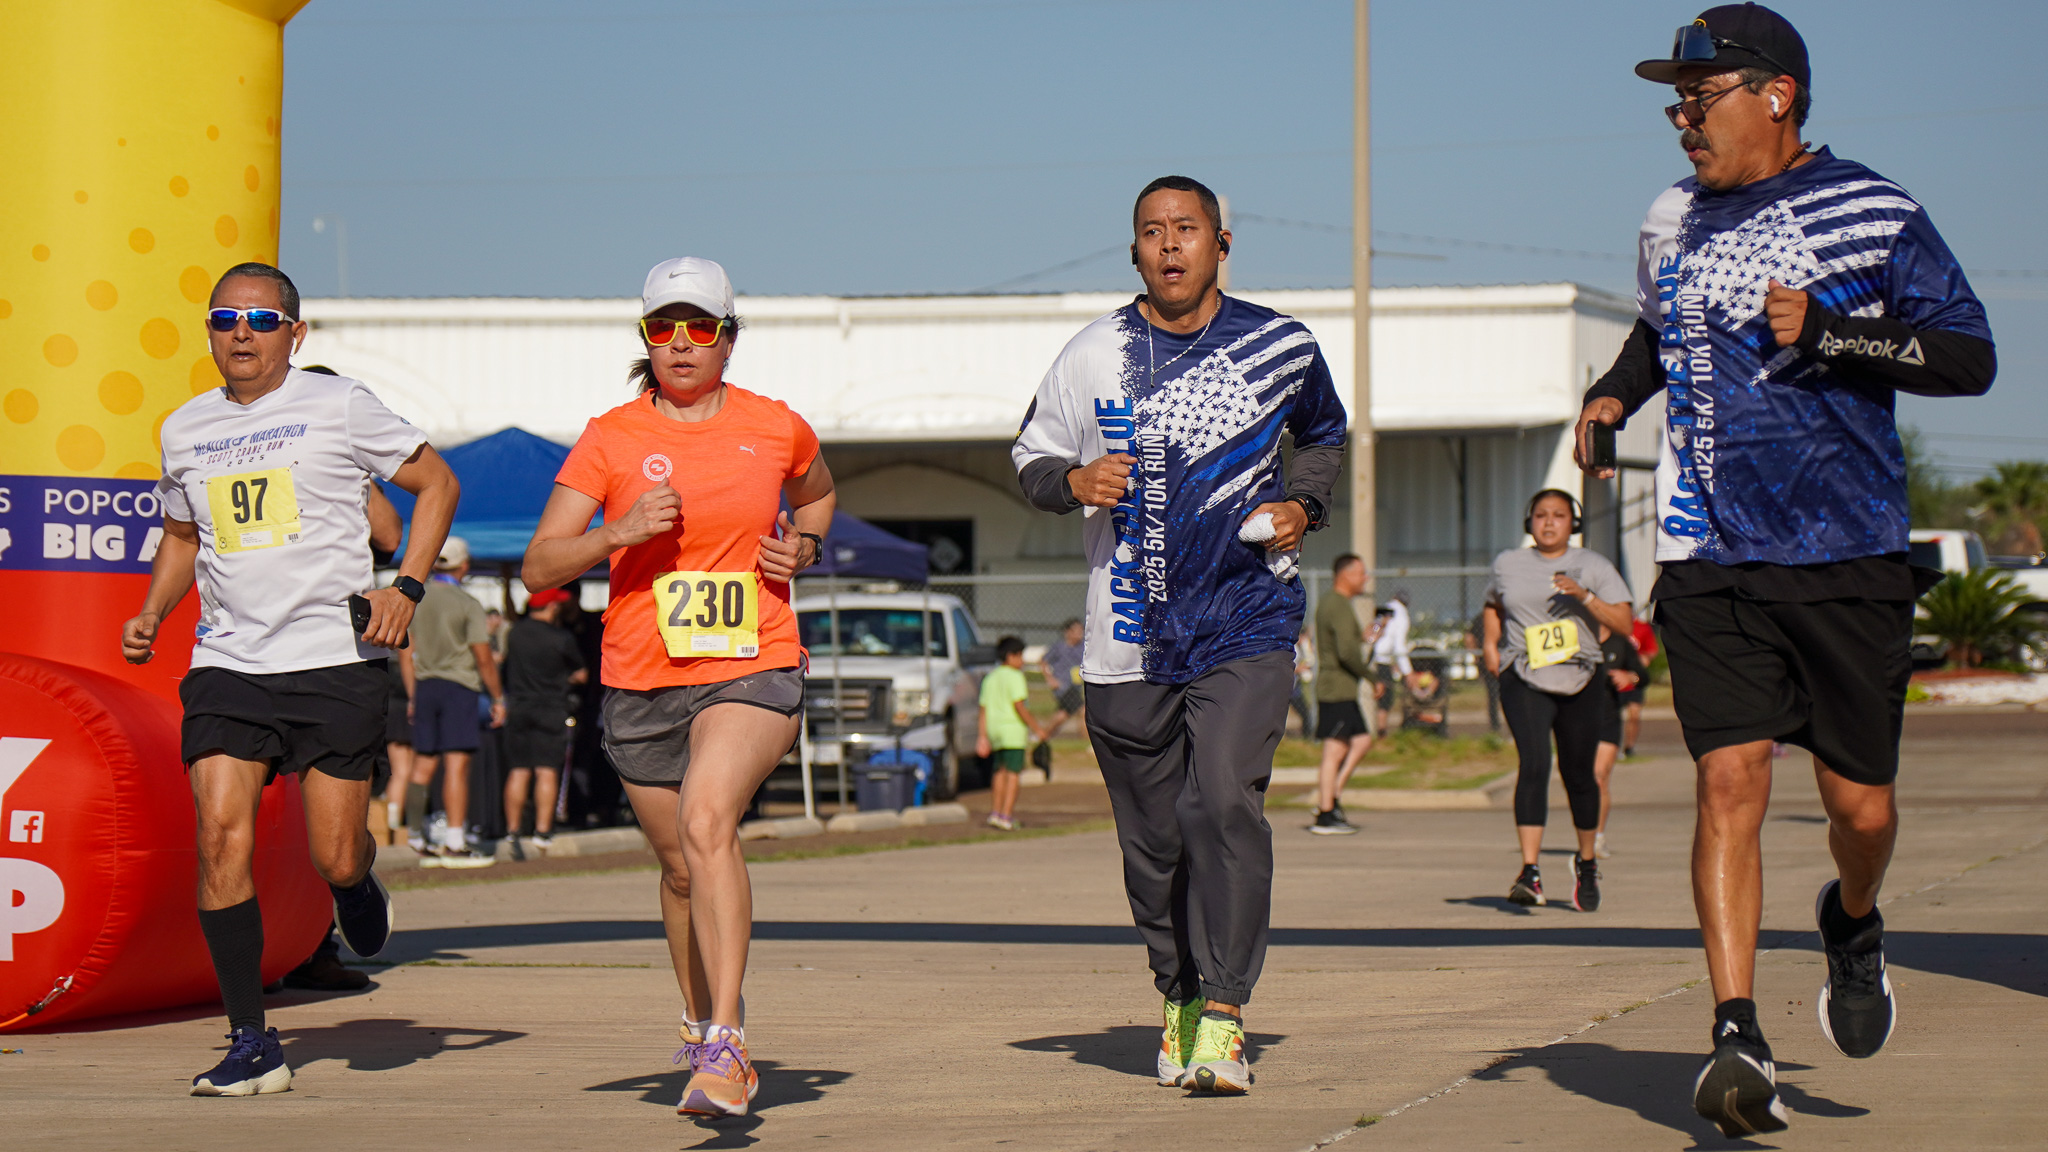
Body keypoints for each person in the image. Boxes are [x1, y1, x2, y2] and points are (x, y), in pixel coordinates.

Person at [1580, 6, 1996, 1135]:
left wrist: (1833, 332)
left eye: (1698, 98)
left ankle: (1851, 918)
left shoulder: (1871, 210)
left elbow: (1968, 354)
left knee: (1858, 809)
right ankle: (1734, 1033)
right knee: (1728, 782)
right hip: (1709, 550)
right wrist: (1614, 391)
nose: (1680, 125)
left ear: (1774, 95)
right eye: (1673, 102)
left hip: (1848, 553)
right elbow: (1654, 333)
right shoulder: (1669, 219)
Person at [1012, 175, 1347, 1095]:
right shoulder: (1093, 354)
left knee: (1222, 803)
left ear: (1220, 243)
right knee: (1154, 844)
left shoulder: (1281, 344)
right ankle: (1182, 993)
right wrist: (1073, 484)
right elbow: (1028, 457)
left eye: (1186, 230)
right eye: (1152, 232)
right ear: (1134, 252)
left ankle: (1229, 1013)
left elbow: (1323, 432)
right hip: (1129, 636)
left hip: (1247, 619)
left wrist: (1301, 503)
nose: (1170, 245)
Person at [121, 262, 459, 1095]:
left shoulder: (336, 404)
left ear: (294, 334)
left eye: (262, 320)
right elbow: (181, 535)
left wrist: (406, 586)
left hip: (334, 663)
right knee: (218, 835)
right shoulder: (183, 428)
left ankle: (356, 882)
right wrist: (154, 612)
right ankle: (251, 1041)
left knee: (333, 855)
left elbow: (436, 483)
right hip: (229, 663)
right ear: (208, 331)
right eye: (224, 318)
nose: (242, 332)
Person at [522, 256, 835, 1120]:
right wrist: (616, 530)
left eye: (701, 327)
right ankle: (700, 1029)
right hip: (641, 679)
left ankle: (730, 1044)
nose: (683, 343)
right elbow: (538, 566)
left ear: (730, 338)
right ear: (646, 340)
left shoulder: (776, 428)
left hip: (753, 665)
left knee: (707, 821)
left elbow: (818, 496)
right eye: (665, 328)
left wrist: (804, 549)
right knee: (682, 870)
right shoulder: (611, 437)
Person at [1480, 490, 1634, 912]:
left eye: (1559, 516)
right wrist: (1492, 646)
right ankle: (1529, 871)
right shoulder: (1508, 563)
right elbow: (1493, 604)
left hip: (1581, 677)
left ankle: (1586, 862)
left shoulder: (1594, 565)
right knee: (1533, 763)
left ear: (1574, 523)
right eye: (1541, 516)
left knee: (1579, 774)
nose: (1549, 523)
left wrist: (1584, 596)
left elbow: (1624, 621)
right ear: (1529, 522)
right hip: (1524, 674)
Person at [397, 536, 505, 866]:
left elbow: (406, 652)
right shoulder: (468, 603)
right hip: (459, 687)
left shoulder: (418, 600)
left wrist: (413, 694)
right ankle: (455, 842)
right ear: (465, 566)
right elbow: (483, 656)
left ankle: (416, 837)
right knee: (457, 765)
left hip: (425, 686)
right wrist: (498, 697)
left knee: (423, 764)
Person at [501, 587, 588, 852]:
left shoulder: (515, 633)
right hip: (551, 708)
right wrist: (564, 679)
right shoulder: (561, 637)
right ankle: (542, 830)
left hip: (518, 706)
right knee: (546, 771)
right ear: (552, 606)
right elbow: (582, 675)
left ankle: (513, 830)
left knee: (518, 770)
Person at [1310, 554, 1380, 834]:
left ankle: (1331, 796)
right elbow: (1345, 652)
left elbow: (1347, 643)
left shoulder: (1337, 604)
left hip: (1342, 688)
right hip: (1335, 688)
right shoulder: (1337, 604)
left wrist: (1365, 637)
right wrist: (1371, 676)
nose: (1366, 579)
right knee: (1334, 751)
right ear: (1345, 575)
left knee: (1361, 741)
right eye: (1361, 573)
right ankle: (1325, 813)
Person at [977, 635, 1045, 830]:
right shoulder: (1015, 677)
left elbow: (983, 709)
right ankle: (1006, 816)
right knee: (1014, 773)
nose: (1022, 661)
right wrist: (1037, 729)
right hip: (1012, 731)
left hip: (994, 730)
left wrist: (982, 736)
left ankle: (996, 813)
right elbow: (1020, 706)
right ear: (1010, 656)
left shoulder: (991, 677)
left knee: (999, 771)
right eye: (1019, 656)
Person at [1591, 625, 1646, 859]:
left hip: (1607, 717)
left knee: (1599, 777)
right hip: (1576, 719)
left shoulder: (1619, 642)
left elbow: (1642, 675)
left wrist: (1628, 676)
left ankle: (1597, 837)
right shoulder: (1575, 636)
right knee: (1581, 781)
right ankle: (1585, 833)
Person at [1370, 591, 1418, 734]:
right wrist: (1408, 672)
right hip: (1382, 660)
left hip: (1371, 657)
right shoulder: (1402, 616)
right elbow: (1399, 646)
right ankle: (1380, 733)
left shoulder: (1383, 609)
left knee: (1373, 695)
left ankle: (1374, 731)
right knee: (1385, 699)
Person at [1039, 618, 1086, 743]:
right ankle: (1087, 742)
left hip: (1075, 686)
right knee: (1083, 710)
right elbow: (1043, 661)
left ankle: (1043, 735)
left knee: (1063, 714)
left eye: (1081, 631)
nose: (1080, 634)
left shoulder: (1082, 647)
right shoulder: (1059, 647)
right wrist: (1050, 679)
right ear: (1068, 632)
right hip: (1062, 687)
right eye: (1076, 631)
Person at [1622, 619, 1658, 757]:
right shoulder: (1611, 624)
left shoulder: (1641, 627)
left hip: (1635, 679)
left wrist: (1644, 659)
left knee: (1634, 715)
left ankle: (1629, 747)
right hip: (1615, 677)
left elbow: (1652, 650)